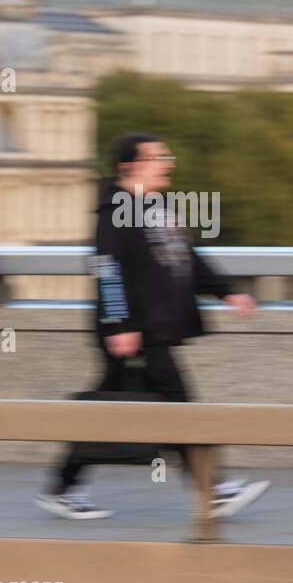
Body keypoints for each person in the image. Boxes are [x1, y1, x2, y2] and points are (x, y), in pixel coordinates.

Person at [36, 133, 269, 520]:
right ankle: (211, 490)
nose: (168, 163)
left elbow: (188, 257)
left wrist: (226, 292)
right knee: (180, 408)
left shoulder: (157, 206)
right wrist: (119, 324)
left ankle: (63, 486)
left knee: (109, 410)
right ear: (129, 167)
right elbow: (106, 270)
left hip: (151, 328)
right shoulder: (115, 211)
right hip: (134, 331)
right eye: (158, 157)